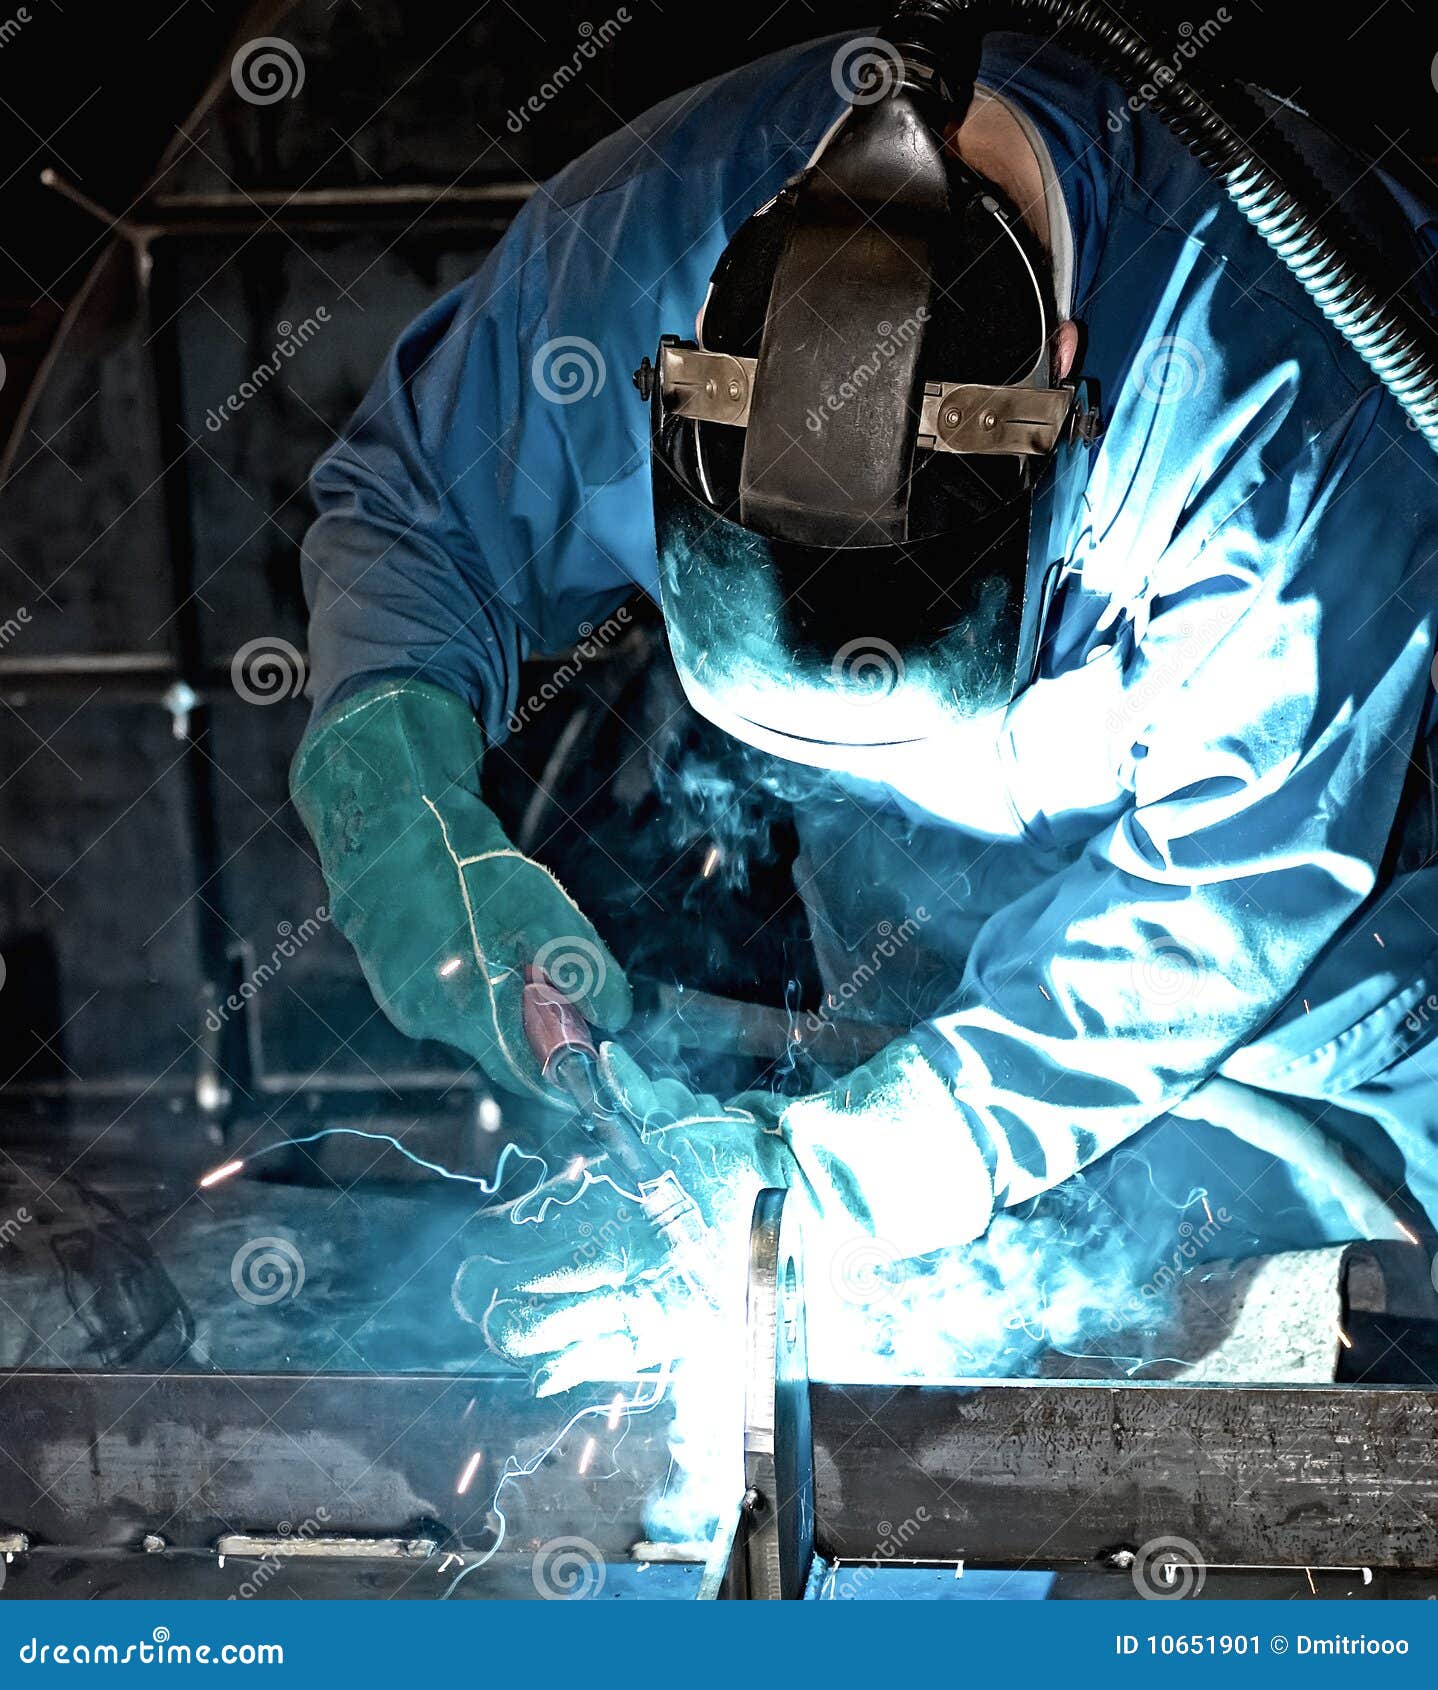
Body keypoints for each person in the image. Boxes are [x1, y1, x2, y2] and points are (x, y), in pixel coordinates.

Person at [290, 26, 1438, 1386]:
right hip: (911, 904)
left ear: (1058, 385)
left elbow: (1226, 888)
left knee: (1345, 1344)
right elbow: (422, 517)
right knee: (972, 1355)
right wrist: (402, 810)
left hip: (1327, 925)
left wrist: (849, 1176)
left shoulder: (1275, 407)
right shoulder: (631, 261)